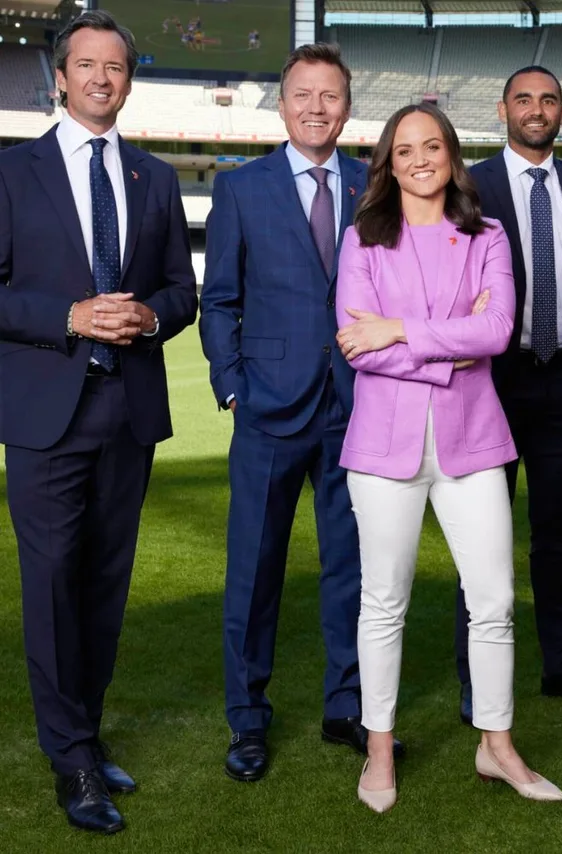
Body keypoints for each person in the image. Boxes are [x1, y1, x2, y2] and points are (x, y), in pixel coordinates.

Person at [334, 101, 562, 813]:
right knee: (383, 603)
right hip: (382, 448)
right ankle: (379, 748)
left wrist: (400, 331)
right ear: (389, 163)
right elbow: (354, 343)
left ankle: (496, 745)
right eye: (405, 150)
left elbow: (495, 332)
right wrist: (448, 348)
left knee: (493, 601)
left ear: (451, 154)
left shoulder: (487, 233)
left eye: (432, 146)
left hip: (474, 442)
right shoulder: (361, 239)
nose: (420, 159)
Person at [0, 11, 197, 834]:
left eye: (115, 66)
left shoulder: (153, 178)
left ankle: (85, 729)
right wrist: (70, 315)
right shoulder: (14, 174)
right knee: (50, 589)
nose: (101, 78)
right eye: (86, 64)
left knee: (103, 591)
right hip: (46, 416)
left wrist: (149, 319)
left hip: (127, 412)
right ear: (61, 75)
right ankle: (73, 760)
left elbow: (180, 295)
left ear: (128, 79)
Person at [200, 43, 397, 785]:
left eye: (332, 96)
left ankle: (345, 705)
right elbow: (218, 299)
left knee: (352, 567)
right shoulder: (241, 189)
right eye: (304, 95)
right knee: (253, 573)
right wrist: (232, 386)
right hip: (267, 409)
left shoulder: (370, 188)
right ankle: (247, 720)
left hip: (356, 409)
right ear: (282, 105)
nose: (318, 108)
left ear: (348, 107)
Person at [456, 65, 562, 723]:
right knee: (482, 540)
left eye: (548, 99)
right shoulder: (474, 183)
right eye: (524, 98)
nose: (536, 108)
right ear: (503, 109)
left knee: (555, 534)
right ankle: (476, 675)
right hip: (494, 381)